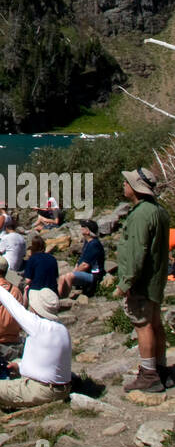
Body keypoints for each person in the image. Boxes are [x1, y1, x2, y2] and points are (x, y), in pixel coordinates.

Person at [0, 272, 72, 415]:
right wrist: (20, 366)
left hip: (42, 391)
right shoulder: (62, 329)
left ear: (36, 308)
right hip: (60, 388)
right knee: (13, 366)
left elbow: (12, 304)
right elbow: (48, 362)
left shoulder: (38, 326)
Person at [116, 168, 172, 393]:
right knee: (156, 324)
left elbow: (137, 251)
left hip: (141, 281)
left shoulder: (140, 214)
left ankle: (149, 374)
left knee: (143, 325)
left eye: (127, 183)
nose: (124, 186)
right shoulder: (159, 211)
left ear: (136, 188)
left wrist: (125, 283)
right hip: (155, 279)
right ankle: (161, 368)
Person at [58, 220, 106, 298]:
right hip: (87, 273)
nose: (81, 228)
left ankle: (66, 298)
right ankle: (59, 297)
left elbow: (85, 265)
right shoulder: (87, 242)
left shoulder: (94, 244)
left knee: (69, 276)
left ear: (88, 231)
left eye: (83, 227)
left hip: (94, 275)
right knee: (62, 277)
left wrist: (74, 273)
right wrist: (75, 270)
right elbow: (81, 260)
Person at [22, 234, 59, 304]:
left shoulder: (32, 259)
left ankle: (24, 310)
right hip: (52, 290)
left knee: (26, 288)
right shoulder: (52, 258)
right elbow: (56, 276)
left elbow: (28, 280)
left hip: (37, 290)